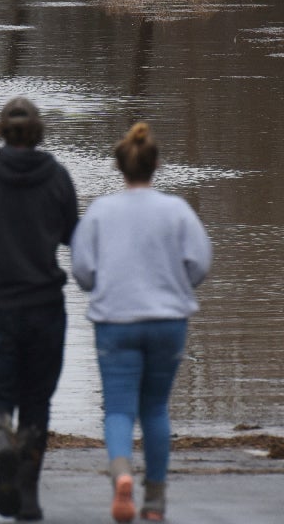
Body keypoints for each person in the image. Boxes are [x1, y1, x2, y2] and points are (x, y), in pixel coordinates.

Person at [71, 122, 212, 523]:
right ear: (156, 165)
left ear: (120, 168)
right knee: (154, 409)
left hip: (116, 320)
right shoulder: (177, 210)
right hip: (168, 320)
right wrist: (178, 286)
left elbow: (82, 270)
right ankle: (155, 500)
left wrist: (103, 286)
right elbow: (200, 262)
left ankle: (121, 477)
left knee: (118, 408)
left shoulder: (100, 211)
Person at [0, 97, 79, 521]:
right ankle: (28, 497)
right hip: (45, 307)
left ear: (0, 131)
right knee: (37, 400)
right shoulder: (58, 177)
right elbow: (71, 235)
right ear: (38, 131)